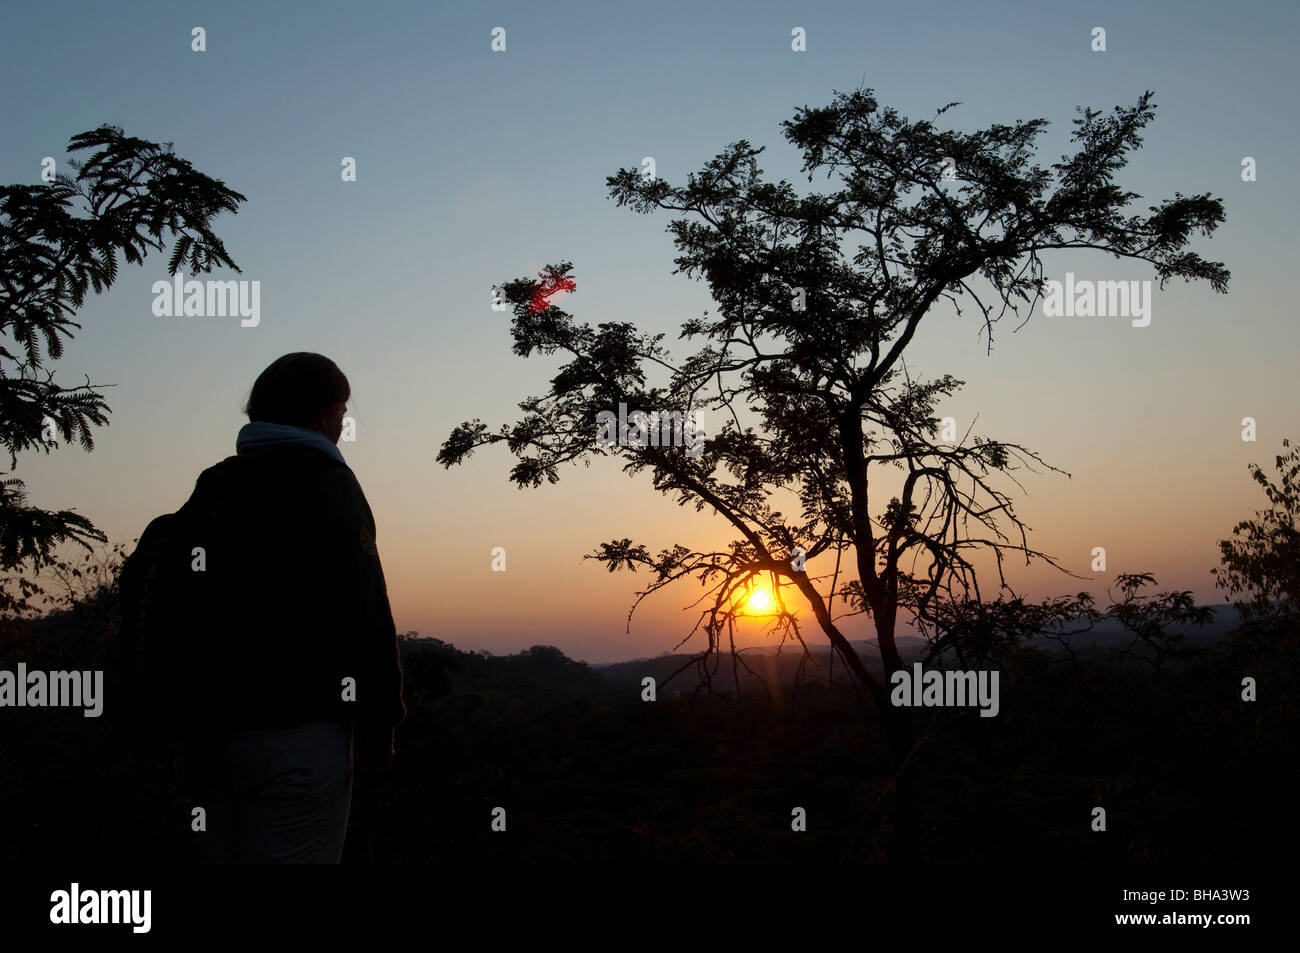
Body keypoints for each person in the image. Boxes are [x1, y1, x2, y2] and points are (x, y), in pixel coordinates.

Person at [171, 352, 406, 863]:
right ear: (322, 415)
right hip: (297, 739)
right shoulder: (329, 485)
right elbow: (366, 612)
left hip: (210, 736)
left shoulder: (216, 485)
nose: (343, 429)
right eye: (342, 416)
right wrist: (382, 725)